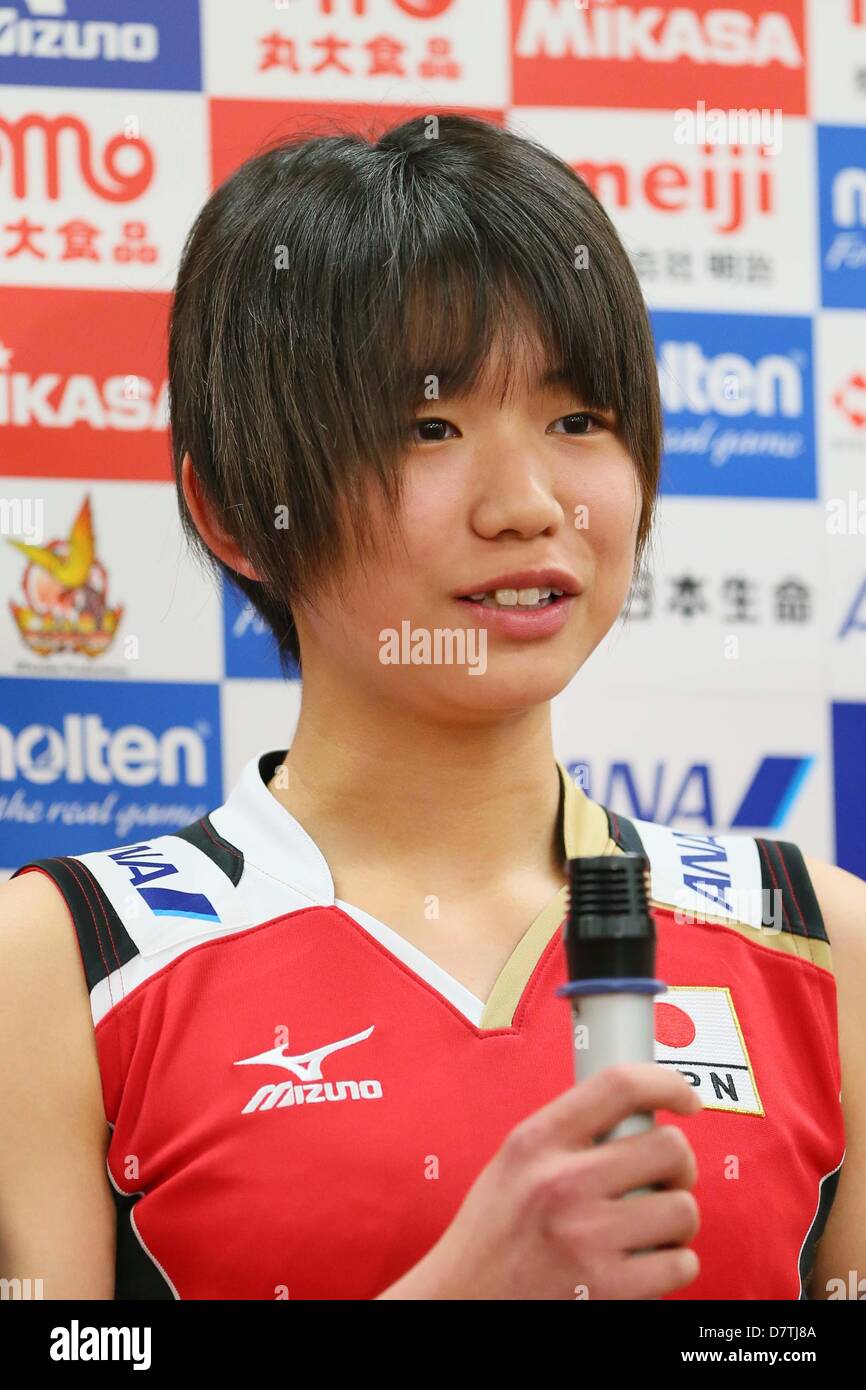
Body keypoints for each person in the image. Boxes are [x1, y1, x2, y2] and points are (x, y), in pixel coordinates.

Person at [1, 113, 864, 1302]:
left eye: (576, 420)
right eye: (429, 428)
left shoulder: (816, 943)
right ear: (237, 512)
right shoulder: (62, 958)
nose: (525, 504)